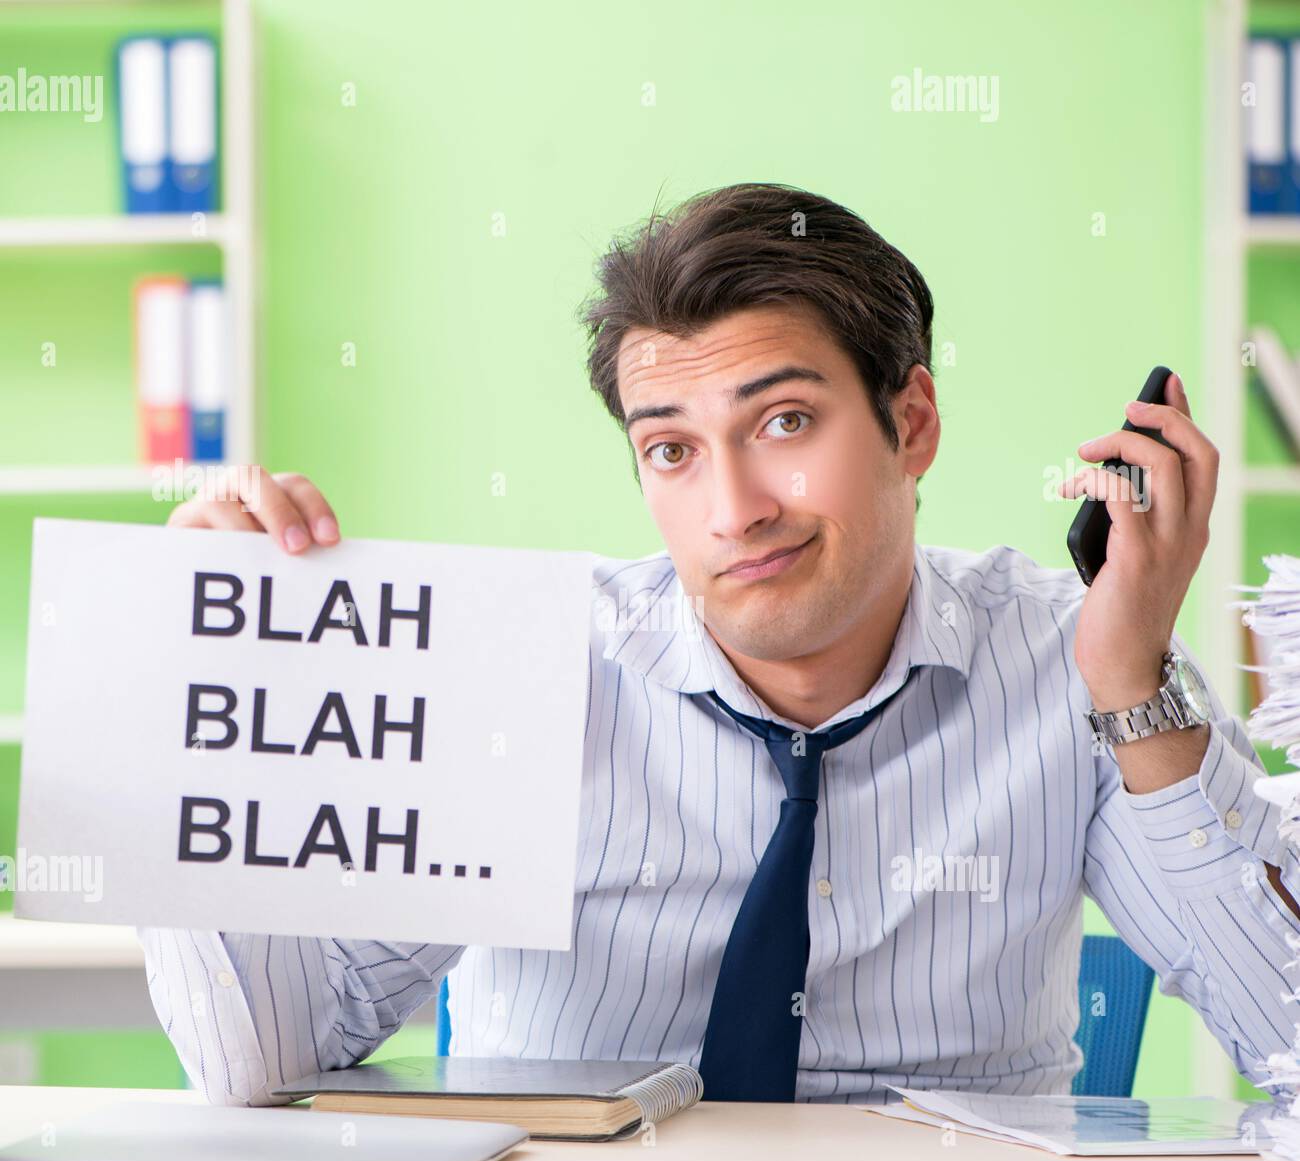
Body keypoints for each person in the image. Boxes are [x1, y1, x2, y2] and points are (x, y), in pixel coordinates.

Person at [140, 182, 1300, 1107]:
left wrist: (1129, 683)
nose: (733, 507)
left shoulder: (1078, 652)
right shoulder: (530, 667)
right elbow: (259, 1063)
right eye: (673, 450)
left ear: (911, 424)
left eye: (783, 423)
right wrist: (215, 705)